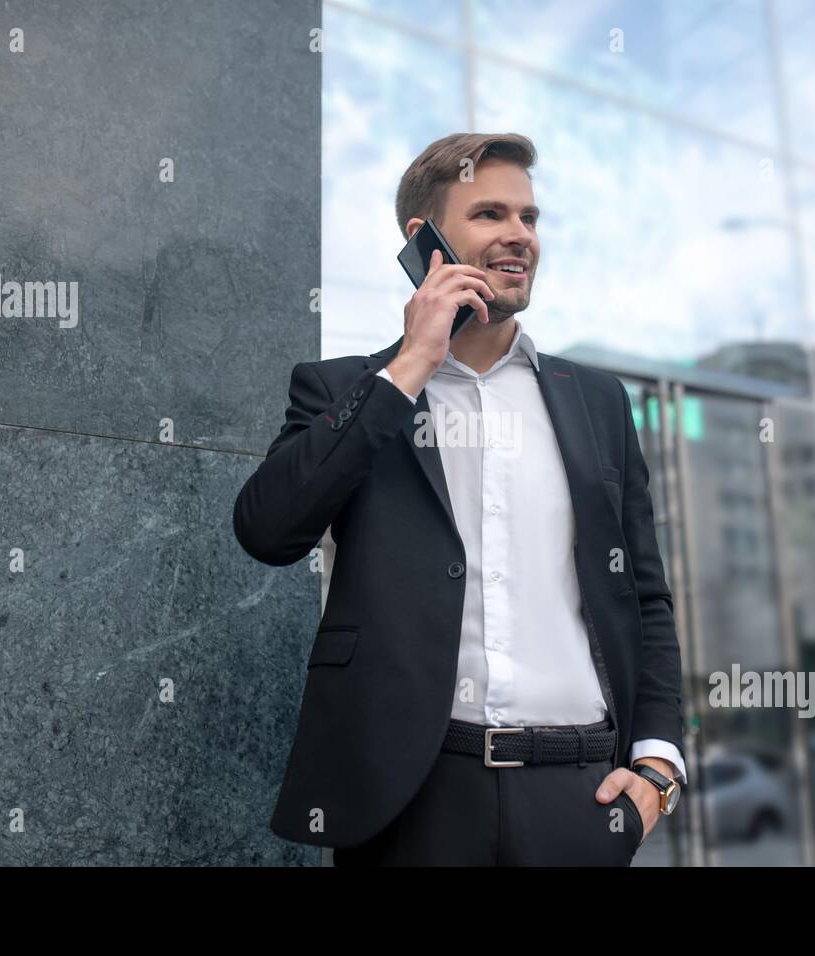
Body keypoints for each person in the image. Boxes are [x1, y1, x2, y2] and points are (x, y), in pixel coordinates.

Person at [233, 132, 685, 865]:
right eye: (491, 214)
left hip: (580, 798)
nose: (519, 236)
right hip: (410, 801)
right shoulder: (344, 390)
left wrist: (658, 768)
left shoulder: (598, 403)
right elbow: (268, 530)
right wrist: (410, 365)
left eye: (530, 219)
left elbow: (644, 596)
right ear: (426, 238)